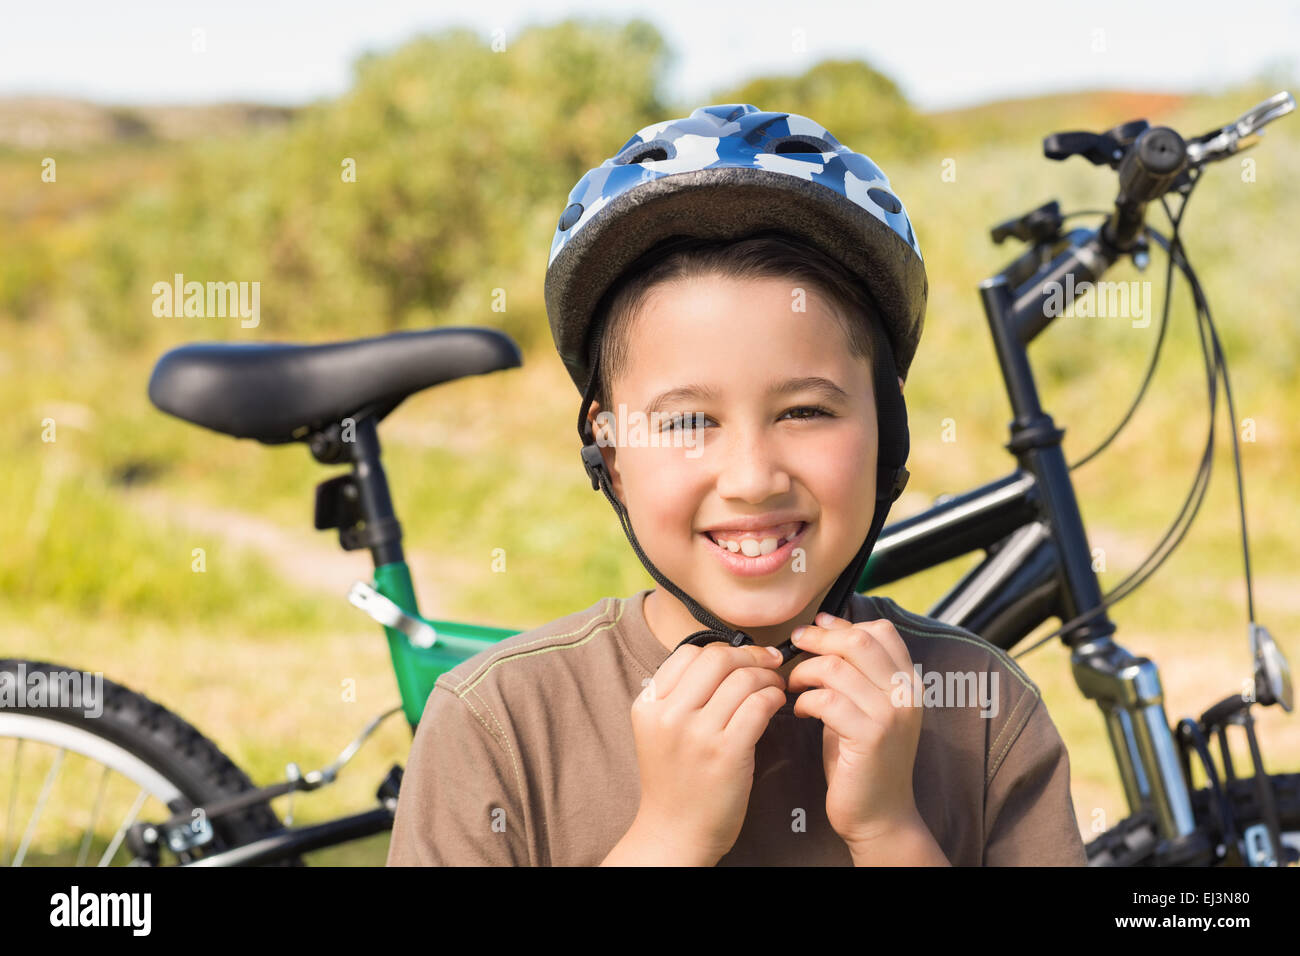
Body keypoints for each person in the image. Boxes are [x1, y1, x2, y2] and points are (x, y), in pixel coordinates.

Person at [387, 104, 1087, 866]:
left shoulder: (984, 712)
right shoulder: (496, 727)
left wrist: (890, 829)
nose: (753, 480)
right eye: (689, 422)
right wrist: (669, 838)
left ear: (888, 430)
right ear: (609, 448)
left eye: (806, 410)